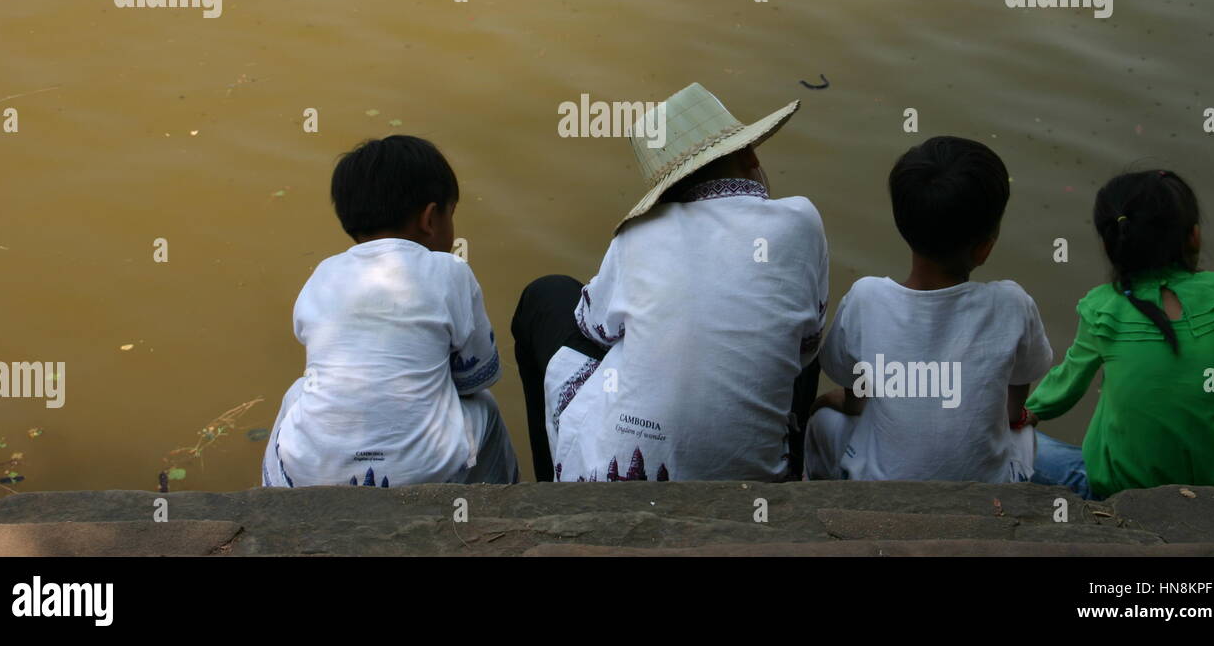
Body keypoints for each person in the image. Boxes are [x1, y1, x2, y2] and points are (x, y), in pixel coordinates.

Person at [511, 83, 829, 482]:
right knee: (799, 345)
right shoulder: (803, 221)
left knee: (549, 294)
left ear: (667, 188)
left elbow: (595, 327)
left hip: (623, 476)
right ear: (749, 151)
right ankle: (786, 466)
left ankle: (552, 484)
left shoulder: (638, 235)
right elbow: (806, 345)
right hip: (755, 477)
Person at [262, 135, 518, 488]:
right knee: (483, 406)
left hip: (310, 469)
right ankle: (503, 503)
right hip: (426, 470)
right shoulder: (450, 271)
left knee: (296, 392)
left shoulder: (323, 275)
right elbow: (480, 377)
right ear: (430, 218)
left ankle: (274, 499)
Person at [805, 136, 1054, 482]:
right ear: (985, 248)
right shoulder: (1012, 304)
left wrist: (836, 401)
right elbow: (1013, 408)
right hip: (989, 492)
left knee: (822, 422)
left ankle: (820, 494)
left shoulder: (866, 299)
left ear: (901, 224)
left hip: (878, 483)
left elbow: (855, 396)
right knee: (1023, 432)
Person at [1027, 169, 1214, 500]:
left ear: (1110, 246)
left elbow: (1065, 388)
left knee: (1021, 445)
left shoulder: (1102, 309)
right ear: (1194, 236)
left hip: (1124, 491)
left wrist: (1027, 413)